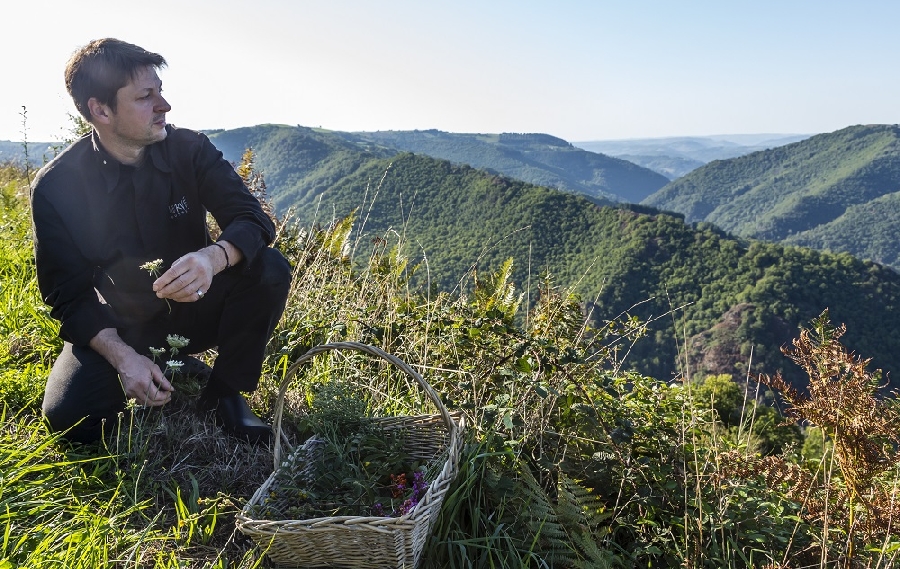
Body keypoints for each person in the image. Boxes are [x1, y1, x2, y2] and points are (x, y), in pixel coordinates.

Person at [30, 38, 292, 444]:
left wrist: (214, 257)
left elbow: (252, 219)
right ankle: (165, 365)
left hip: (201, 308)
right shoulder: (57, 186)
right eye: (145, 96)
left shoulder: (191, 149)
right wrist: (123, 358)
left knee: (270, 268)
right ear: (100, 110)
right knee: (71, 417)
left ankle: (224, 394)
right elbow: (67, 294)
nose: (164, 105)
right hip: (125, 325)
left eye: (160, 90)